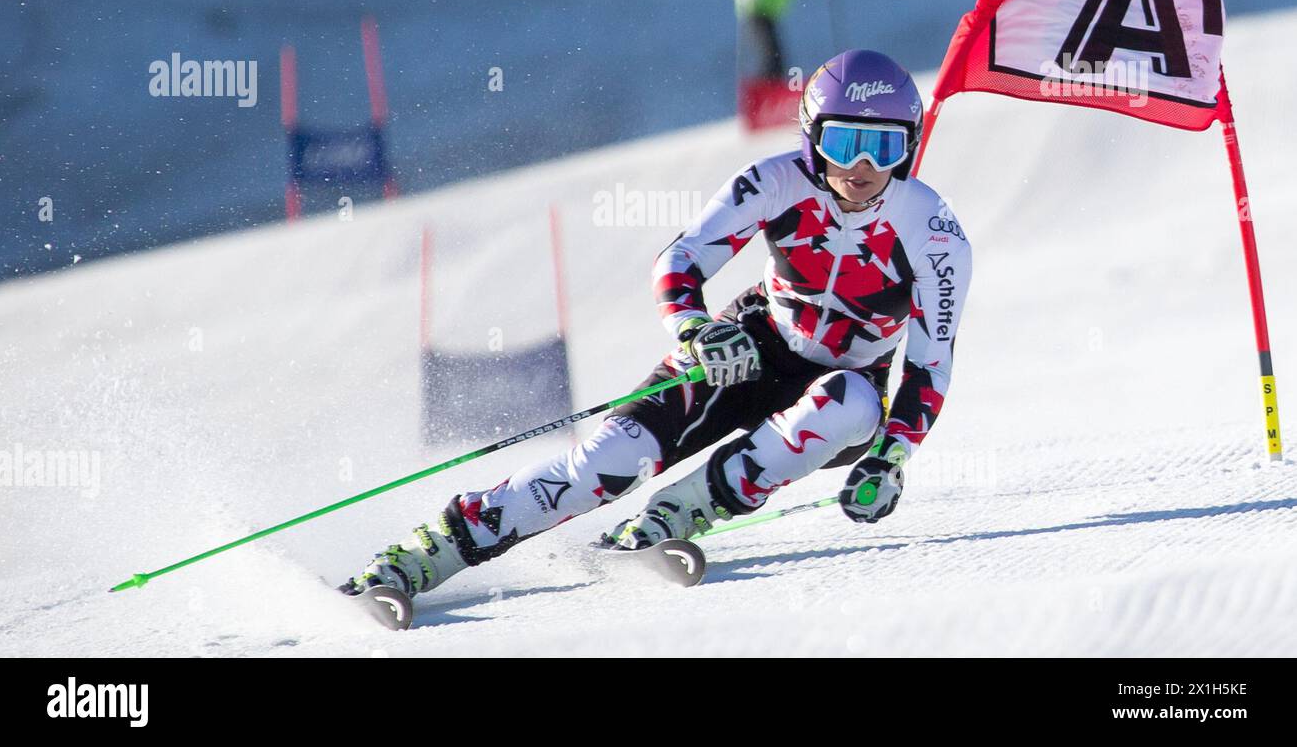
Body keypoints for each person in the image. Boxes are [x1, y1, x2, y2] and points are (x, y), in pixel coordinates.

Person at [340, 49, 971, 601]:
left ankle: (674, 516)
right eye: (844, 143)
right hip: (752, 344)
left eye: (884, 145)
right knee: (613, 460)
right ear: (812, 139)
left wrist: (892, 456)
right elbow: (683, 258)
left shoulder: (932, 231)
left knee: (853, 404)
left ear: (909, 144)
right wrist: (696, 329)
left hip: (846, 380)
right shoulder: (775, 182)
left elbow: (930, 362)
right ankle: (429, 552)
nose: (862, 167)